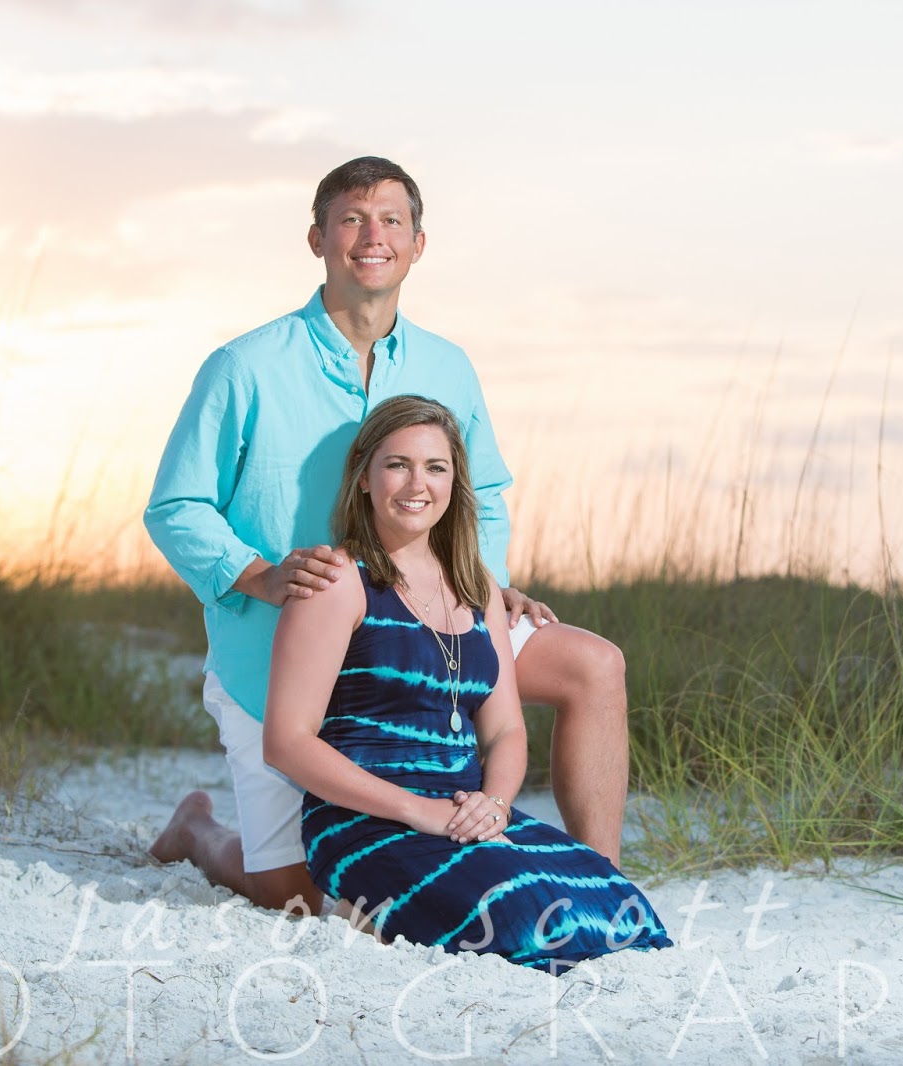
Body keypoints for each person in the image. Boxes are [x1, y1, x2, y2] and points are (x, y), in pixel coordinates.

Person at [145, 156, 629, 915]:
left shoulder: (448, 366)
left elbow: (487, 489)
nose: (374, 237)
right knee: (293, 896)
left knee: (594, 666)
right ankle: (197, 829)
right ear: (318, 237)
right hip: (283, 654)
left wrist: (482, 587)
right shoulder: (243, 367)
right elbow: (177, 506)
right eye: (352, 219)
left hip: (431, 632)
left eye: (392, 220)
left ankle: (601, 876)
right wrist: (258, 575)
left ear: (418, 243)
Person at [263, 395, 670, 968]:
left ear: (455, 482)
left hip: (463, 811)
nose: (416, 483)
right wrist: (416, 810)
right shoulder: (338, 581)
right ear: (362, 477)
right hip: (365, 821)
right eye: (396, 464)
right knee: (525, 922)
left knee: (624, 913)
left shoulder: (477, 587)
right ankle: (367, 905)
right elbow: (287, 741)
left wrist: (496, 804)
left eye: (436, 467)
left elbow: (504, 728)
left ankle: (385, 915)